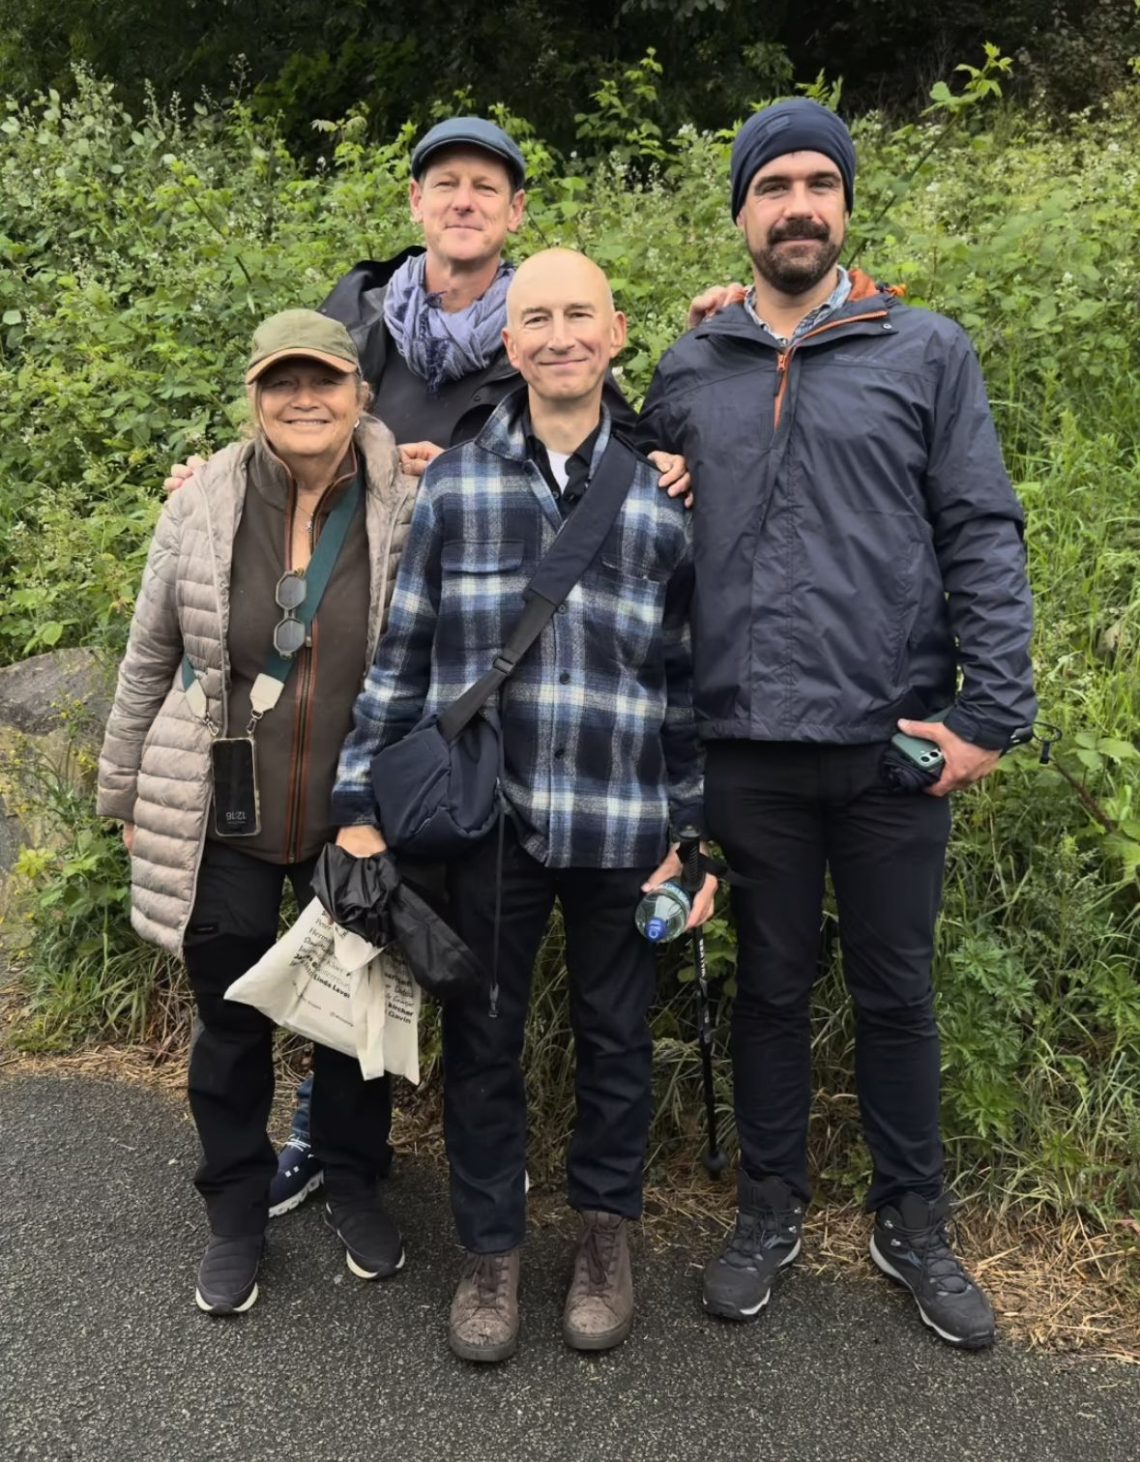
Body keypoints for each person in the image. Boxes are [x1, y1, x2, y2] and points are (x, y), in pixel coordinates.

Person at [166, 116, 691, 1220]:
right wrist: (207, 481)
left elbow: (612, 476)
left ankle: (381, 1163)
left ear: (514, 215)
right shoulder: (363, 327)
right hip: (380, 715)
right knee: (353, 955)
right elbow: (278, 423)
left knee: (406, 954)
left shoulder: (572, 380)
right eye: (444, 182)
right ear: (415, 204)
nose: (463, 200)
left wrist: (661, 462)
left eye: (486, 187)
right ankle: (321, 1155)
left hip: (474, 726)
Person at [638, 99, 1036, 1350]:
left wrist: (991, 712)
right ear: (743, 213)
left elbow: (981, 526)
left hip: (889, 743)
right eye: (774, 186)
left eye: (820, 182)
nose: (798, 203)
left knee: (897, 990)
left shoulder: (925, 349)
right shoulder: (691, 367)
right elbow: (632, 523)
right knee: (768, 987)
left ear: (847, 206)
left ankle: (912, 1219)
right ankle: (768, 1208)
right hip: (741, 741)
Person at [330, 248, 717, 1362]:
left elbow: (681, 685)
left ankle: (604, 1236)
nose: (556, 335)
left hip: (622, 818)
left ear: (616, 332)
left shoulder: (659, 495)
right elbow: (402, 661)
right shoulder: (457, 480)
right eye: (535, 316)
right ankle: (489, 1251)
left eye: (577, 315)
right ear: (511, 344)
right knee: (486, 1039)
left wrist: (692, 840)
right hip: (488, 817)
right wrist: (361, 801)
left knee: (615, 1038)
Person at [97, 310, 419, 1314]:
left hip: (353, 806)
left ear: (359, 392)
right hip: (222, 807)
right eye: (281, 382)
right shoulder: (200, 506)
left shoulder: (406, 501)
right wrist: (123, 793)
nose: (303, 399)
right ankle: (237, 1203)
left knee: (352, 1012)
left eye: (322, 379)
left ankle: (353, 1177)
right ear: (255, 398)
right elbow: (152, 653)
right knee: (230, 1011)